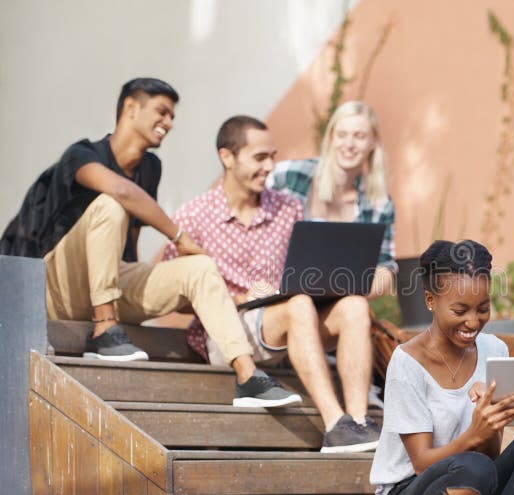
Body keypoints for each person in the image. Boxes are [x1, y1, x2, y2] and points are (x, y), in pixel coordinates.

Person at [0, 78, 298, 408]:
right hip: (48, 289)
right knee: (111, 204)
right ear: (130, 108)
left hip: (105, 285)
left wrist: (147, 289)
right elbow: (123, 193)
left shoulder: (149, 168)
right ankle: (104, 329)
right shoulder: (81, 155)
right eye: (161, 112)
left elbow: (130, 242)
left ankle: (247, 375)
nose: (168, 123)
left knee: (198, 266)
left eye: (172, 116)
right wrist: (179, 237)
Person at [164, 115, 380, 453]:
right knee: (297, 306)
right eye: (259, 157)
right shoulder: (192, 216)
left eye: (272, 156)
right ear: (227, 157)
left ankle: (357, 422)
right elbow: (173, 295)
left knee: (354, 306)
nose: (270, 166)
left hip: (291, 324)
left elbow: (308, 266)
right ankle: (335, 424)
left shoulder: (288, 207)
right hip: (229, 337)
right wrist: (237, 296)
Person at [370, 240, 514, 495]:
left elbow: (490, 452)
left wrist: (490, 419)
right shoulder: (407, 363)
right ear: (430, 301)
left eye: (483, 309)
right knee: (475, 469)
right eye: (460, 310)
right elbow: (421, 463)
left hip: (473, 485)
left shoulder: (494, 349)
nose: (473, 322)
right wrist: (474, 433)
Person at [268, 100, 396, 296]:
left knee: (355, 308)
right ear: (331, 138)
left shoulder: (379, 203)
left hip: (340, 300)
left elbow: (385, 267)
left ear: (374, 142)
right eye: (342, 135)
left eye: (359, 136)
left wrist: (350, 294)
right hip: (280, 294)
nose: (349, 145)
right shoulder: (288, 176)